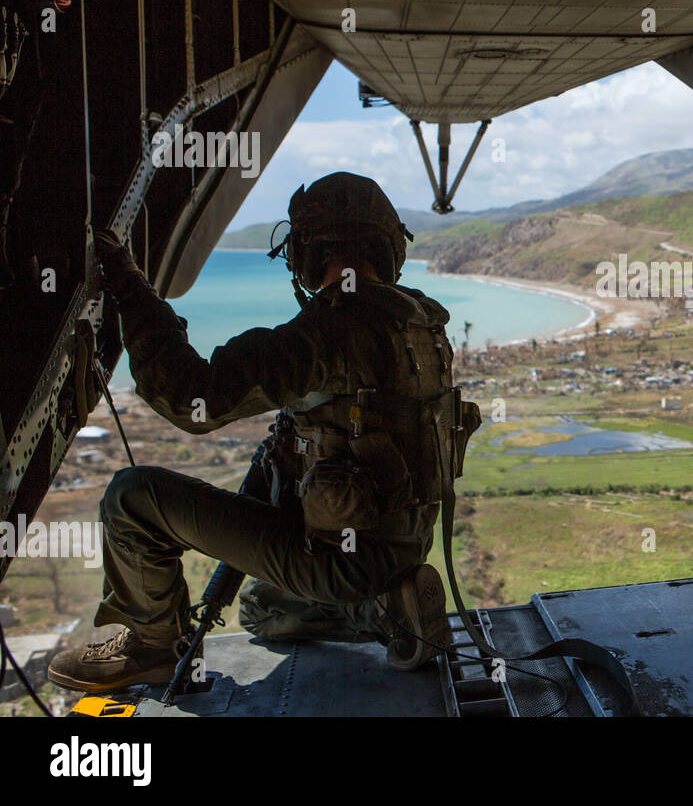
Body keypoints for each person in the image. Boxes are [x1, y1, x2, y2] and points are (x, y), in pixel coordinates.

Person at [47, 172, 474, 693]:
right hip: (400, 549)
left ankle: (152, 646)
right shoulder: (424, 322)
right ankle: (385, 611)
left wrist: (133, 292)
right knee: (261, 610)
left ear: (306, 253)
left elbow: (191, 401)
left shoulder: (329, 329)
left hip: (341, 561)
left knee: (133, 498)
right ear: (388, 249)